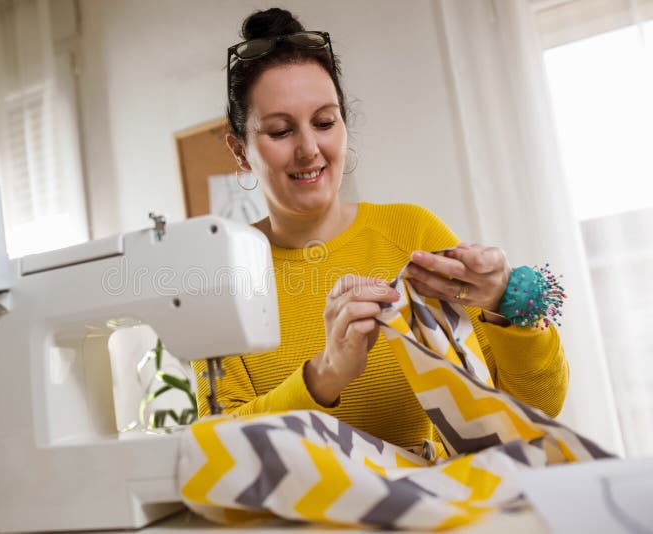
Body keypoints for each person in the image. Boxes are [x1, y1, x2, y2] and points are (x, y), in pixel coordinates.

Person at [192, 7, 567, 451]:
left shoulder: (412, 232)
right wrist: (324, 374)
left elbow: (538, 406)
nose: (309, 149)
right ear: (239, 150)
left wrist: (507, 300)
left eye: (325, 122)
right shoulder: (220, 279)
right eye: (280, 131)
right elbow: (217, 448)